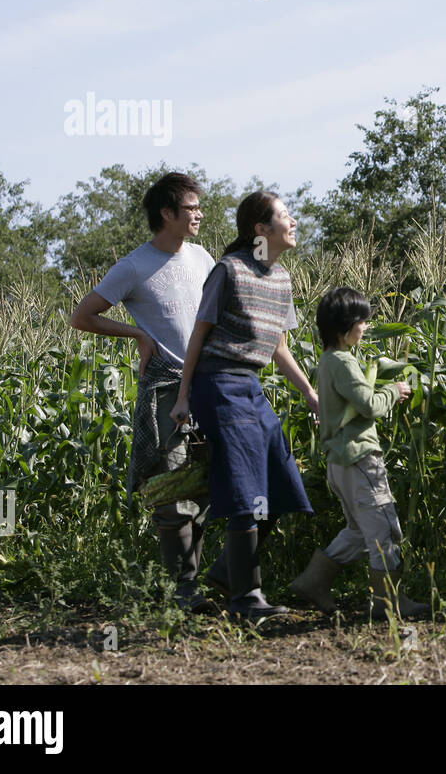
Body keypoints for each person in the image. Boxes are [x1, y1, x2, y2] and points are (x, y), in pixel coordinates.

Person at [68, 172, 216, 612]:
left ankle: (194, 587)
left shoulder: (203, 257)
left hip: (208, 386)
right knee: (172, 490)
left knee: (204, 486)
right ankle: (181, 593)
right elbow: (83, 316)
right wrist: (136, 334)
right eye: (191, 208)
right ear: (167, 214)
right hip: (167, 389)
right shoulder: (133, 266)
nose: (199, 214)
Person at [170, 191, 319, 620]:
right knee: (244, 487)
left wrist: (308, 392)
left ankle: (224, 572)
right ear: (260, 229)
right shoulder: (229, 270)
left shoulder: (282, 279)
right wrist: (183, 395)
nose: (293, 222)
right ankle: (246, 599)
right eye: (284, 216)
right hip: (217, 383)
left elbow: (277, 346)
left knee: (280, 478)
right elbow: (197, 336)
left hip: (249, 385)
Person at [288, 287, 430, 619]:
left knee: (358, 532)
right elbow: (367, 406)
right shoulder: (343, 362)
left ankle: (312, 581)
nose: (365, 327)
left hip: (339, 463)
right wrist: (391, 392)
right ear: (345, 325)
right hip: (360, 459)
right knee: (385, 531)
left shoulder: (326, 361)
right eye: (362, 321)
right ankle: (388, 603)